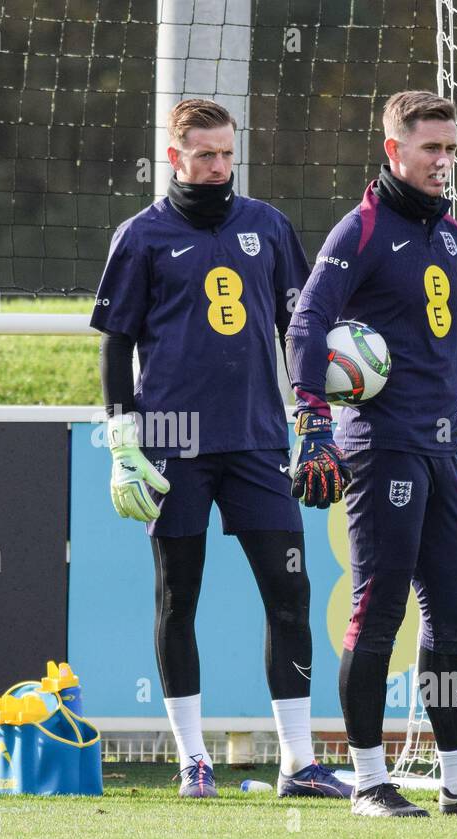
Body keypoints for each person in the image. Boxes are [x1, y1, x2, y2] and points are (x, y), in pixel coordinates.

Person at [286, 90, 457, 816]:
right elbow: (307, 323)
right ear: (393, 150)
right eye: (431, 148)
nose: (444, 161)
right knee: (378, 614)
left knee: (453, 621)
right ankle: (369, 781)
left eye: (451, 148)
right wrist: (311, 424)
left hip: (438, 452)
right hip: (380, 450)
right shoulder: (361, 230)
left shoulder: (450, 235)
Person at [91, 98, 350, 799]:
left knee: (290, 593)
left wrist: (314, 416)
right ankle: (192, 758)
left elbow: (300, 330)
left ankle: (298, 761)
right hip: (173, 447)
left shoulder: (266, 226)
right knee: (179, 597)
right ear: (174, 156)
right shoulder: (140, 236)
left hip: (257, 442)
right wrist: (121, 435)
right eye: (205, 154)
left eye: (227, 153)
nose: (218, 166)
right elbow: (116, 343)